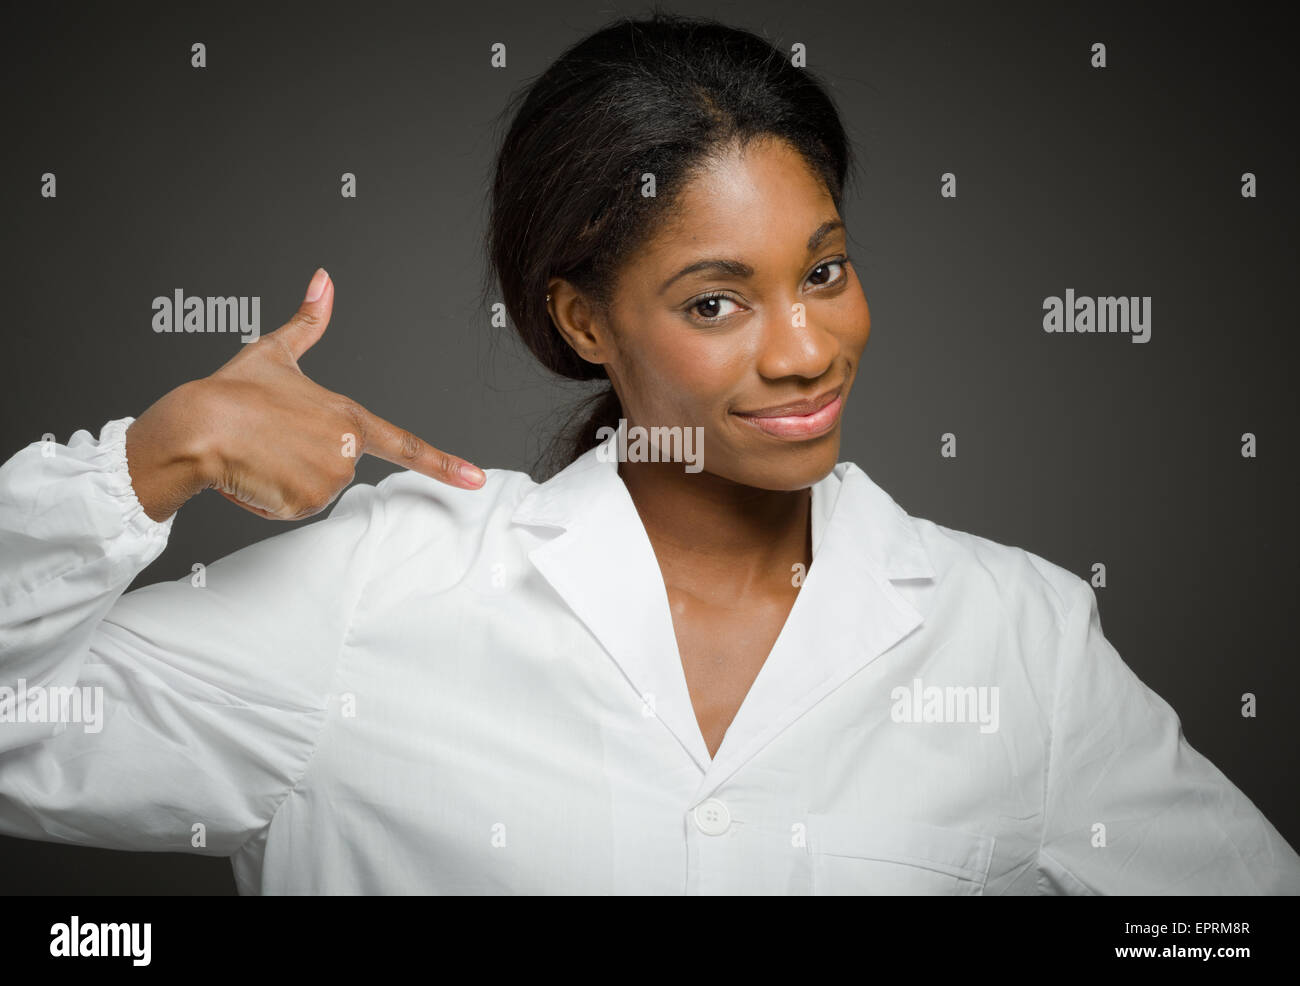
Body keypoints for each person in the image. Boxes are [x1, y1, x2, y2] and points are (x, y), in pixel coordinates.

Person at [1, 11, 1297, 895]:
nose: (804, 349)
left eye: (827, 271)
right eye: (716, 301)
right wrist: (149, 460)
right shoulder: (381, 593)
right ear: (581, 320)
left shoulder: (1014, 633)